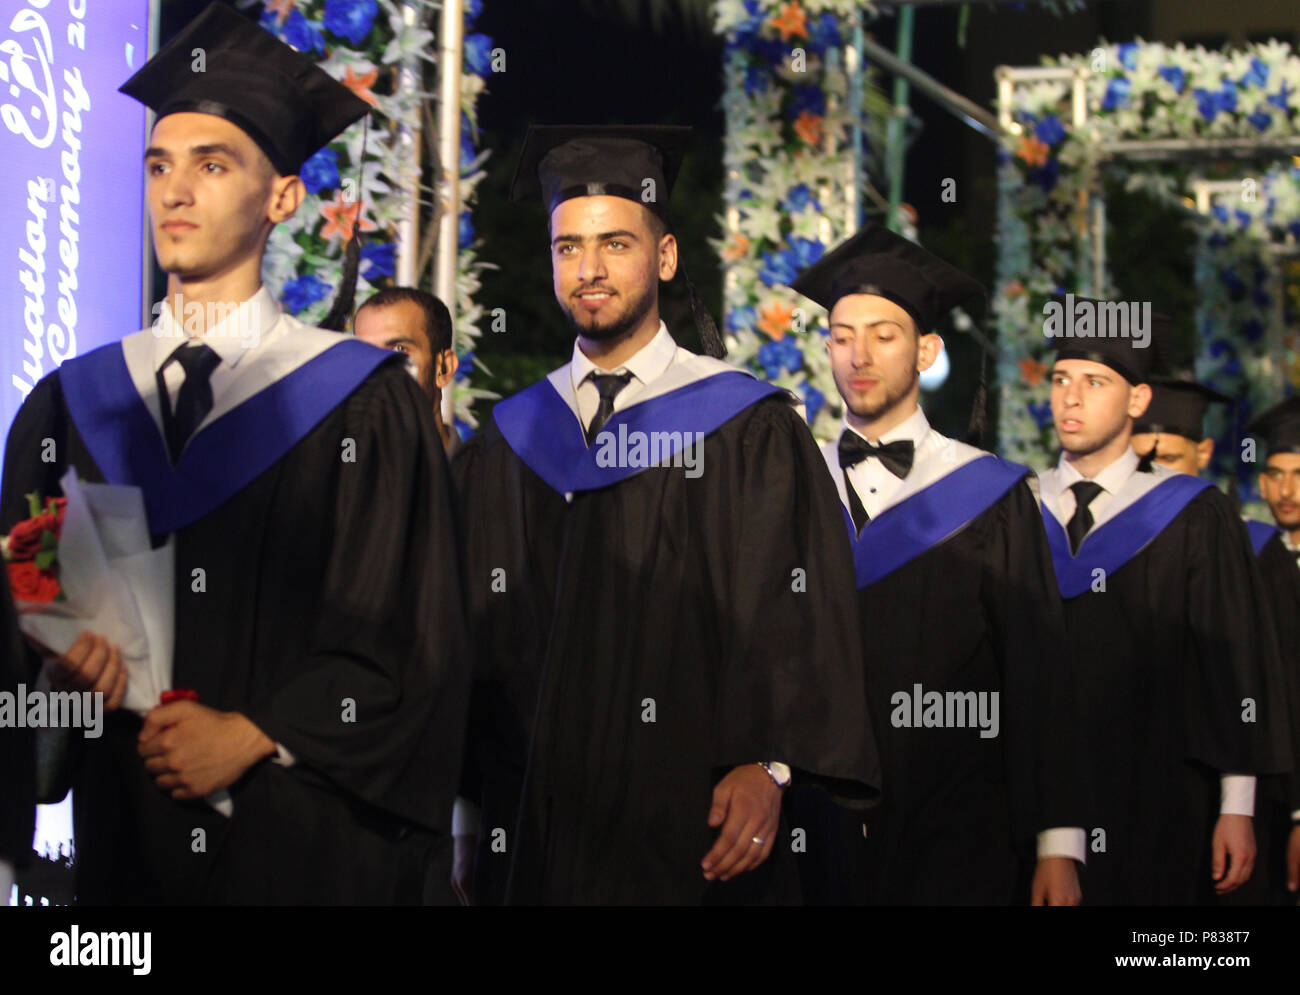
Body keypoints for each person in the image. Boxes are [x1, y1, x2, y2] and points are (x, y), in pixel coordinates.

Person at [0, 3, 469, 904]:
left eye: (213, 166)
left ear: (282, 197)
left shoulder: (362, 409)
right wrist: (57, 684)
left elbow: (412, 650)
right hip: (117, 861)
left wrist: (256, 732)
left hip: (297, 857)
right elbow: (20, 637)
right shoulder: (72, 406)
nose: (176, 191)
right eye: (159, 165)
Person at [451, 124, 879, 905]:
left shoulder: (746, 424)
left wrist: (771, 764)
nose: (588, 269)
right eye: (567, 248)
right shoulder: (508, 443)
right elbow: (471, 637)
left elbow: (795, 608)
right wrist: (466, 813)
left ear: (667, 255)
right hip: (539, 830)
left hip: (694, 830)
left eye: (615, 243)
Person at [785, 227, 1083, 905]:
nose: (858, 355)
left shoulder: (992, 493)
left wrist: (1057, 842)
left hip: (956, 824)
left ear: (927, 350)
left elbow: (1039, 672)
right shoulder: (792, 483)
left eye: (884, 335)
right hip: (811, 824)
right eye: (840, 335)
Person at [1037, 301, 1290, 904]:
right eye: (1060, 380)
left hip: (1162, 793)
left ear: (1137, 401)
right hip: (1036, 795)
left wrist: (1237, 804)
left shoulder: (1195, 515)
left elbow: (1232, 665)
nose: (1071, 399)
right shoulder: (1016, 508)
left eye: (1095, 382)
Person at [1245, 394, 1300, 902]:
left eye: (1299, 474)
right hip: (1263, 786)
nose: (1288, 490)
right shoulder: (1244, 561)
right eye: (1277, 474)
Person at [354, 288, 461, 455]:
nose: (376, 366)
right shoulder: (337, 475)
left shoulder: (484, 478)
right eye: (365, 352)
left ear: (444, 369)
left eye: (399, 349)